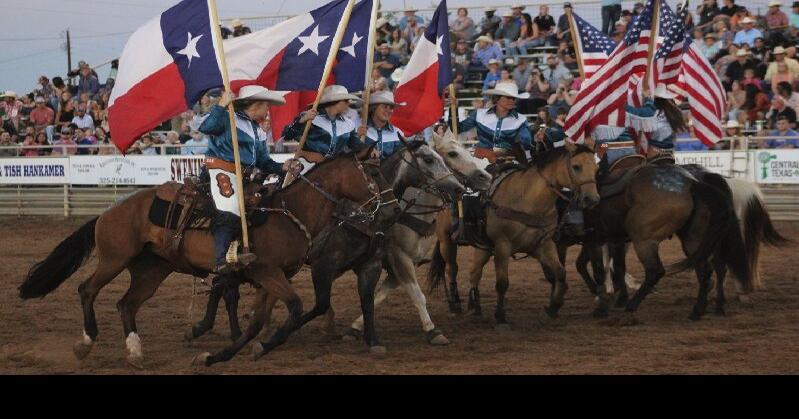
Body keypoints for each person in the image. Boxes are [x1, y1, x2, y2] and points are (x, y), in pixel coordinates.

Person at [200, 85, 300, 274]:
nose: (268, 110)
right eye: (266, 106)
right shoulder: (228, 116)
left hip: (245, 175)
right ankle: (221, 260)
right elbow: (207, 127)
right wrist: (221, 105)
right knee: (230, 206)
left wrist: (282, 167)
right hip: (220, 169)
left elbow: (263, 161)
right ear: (256, 105)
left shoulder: (257, 130)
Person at [283, 85, 368, 162]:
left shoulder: (349, 124)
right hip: (309, 166)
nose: (349, 103)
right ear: (334, 102)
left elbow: (355, 145)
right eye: (345, 100)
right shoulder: (310, 117)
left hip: (335, 168)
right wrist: (301, 121)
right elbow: (287, 135)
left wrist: (369, 149)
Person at [455, 82, 532, 163]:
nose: (512, 101)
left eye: (514, 98)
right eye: (508, 97)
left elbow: (527, 142)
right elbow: (458, 128)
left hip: (507, 160)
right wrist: (454, 109)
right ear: (497, 98)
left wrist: (530, 155)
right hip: (481, 160)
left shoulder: (521, 119)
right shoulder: (479, 114)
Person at [625, 83, 689, 159]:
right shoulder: (674, 111)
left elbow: (638, 115)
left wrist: (646, 99)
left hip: (654, 151)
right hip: (670, 152)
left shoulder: (653, 111)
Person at [363, 91, 407, 160]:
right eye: (384, 107)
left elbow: (401, 160)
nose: (388, 110)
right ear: (374, 108)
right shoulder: (360, 127)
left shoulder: (398, 133)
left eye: (391, 107)